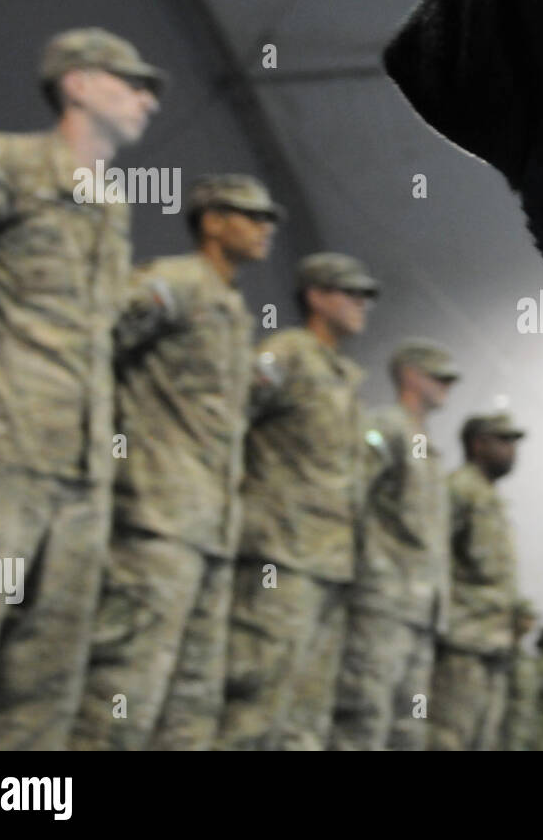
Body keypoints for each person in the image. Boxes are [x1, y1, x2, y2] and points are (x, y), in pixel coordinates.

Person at [0, 28, 162, 750]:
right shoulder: (6, 164)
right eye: (131, 81)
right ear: (79, 83)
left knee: (39, 692)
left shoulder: (113, 206)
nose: (148, 98)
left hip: (78, 480)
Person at [71, 174, 278, 750]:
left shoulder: (232, 309)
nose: (266, 229)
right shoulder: (173, 284)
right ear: (212, 221)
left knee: (190, 703)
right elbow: (93, 346)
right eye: (251, 215)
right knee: (123, 686)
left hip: (210, 532)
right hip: (157, 518)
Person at [216, 253, 379, 750]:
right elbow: (227, 420)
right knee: (256, 700)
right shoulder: (287, 354)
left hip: (329, 564)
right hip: (281, 556)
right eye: (350, 293)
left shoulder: (345, 378)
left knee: (304, 717)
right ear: (315, 296)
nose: (361, 305)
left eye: (365, 296)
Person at [331, 339, 459, 750]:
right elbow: (350, 492)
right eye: (437, 376)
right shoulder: (386, 427)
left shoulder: (428, 445)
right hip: (382, 604)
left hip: (420, 611)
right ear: (409, 375)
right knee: (363, 718)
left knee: (407, 728)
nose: (446, 386)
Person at [429, 412, 526, 750]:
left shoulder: (491, 498)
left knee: (482, 741)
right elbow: (434, 556)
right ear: (477, 443)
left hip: (493, 642)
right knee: (447, 738)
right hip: (462, 641)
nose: (512, 450)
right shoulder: (458, 489)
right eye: (504, 440)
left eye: (514, 443)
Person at [500, 600, 543, 751]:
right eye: (525, 617)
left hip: (527, 734)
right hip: (506, 733)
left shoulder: (531, 661)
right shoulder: (503, 654)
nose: (529, 623)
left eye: (531, 619)